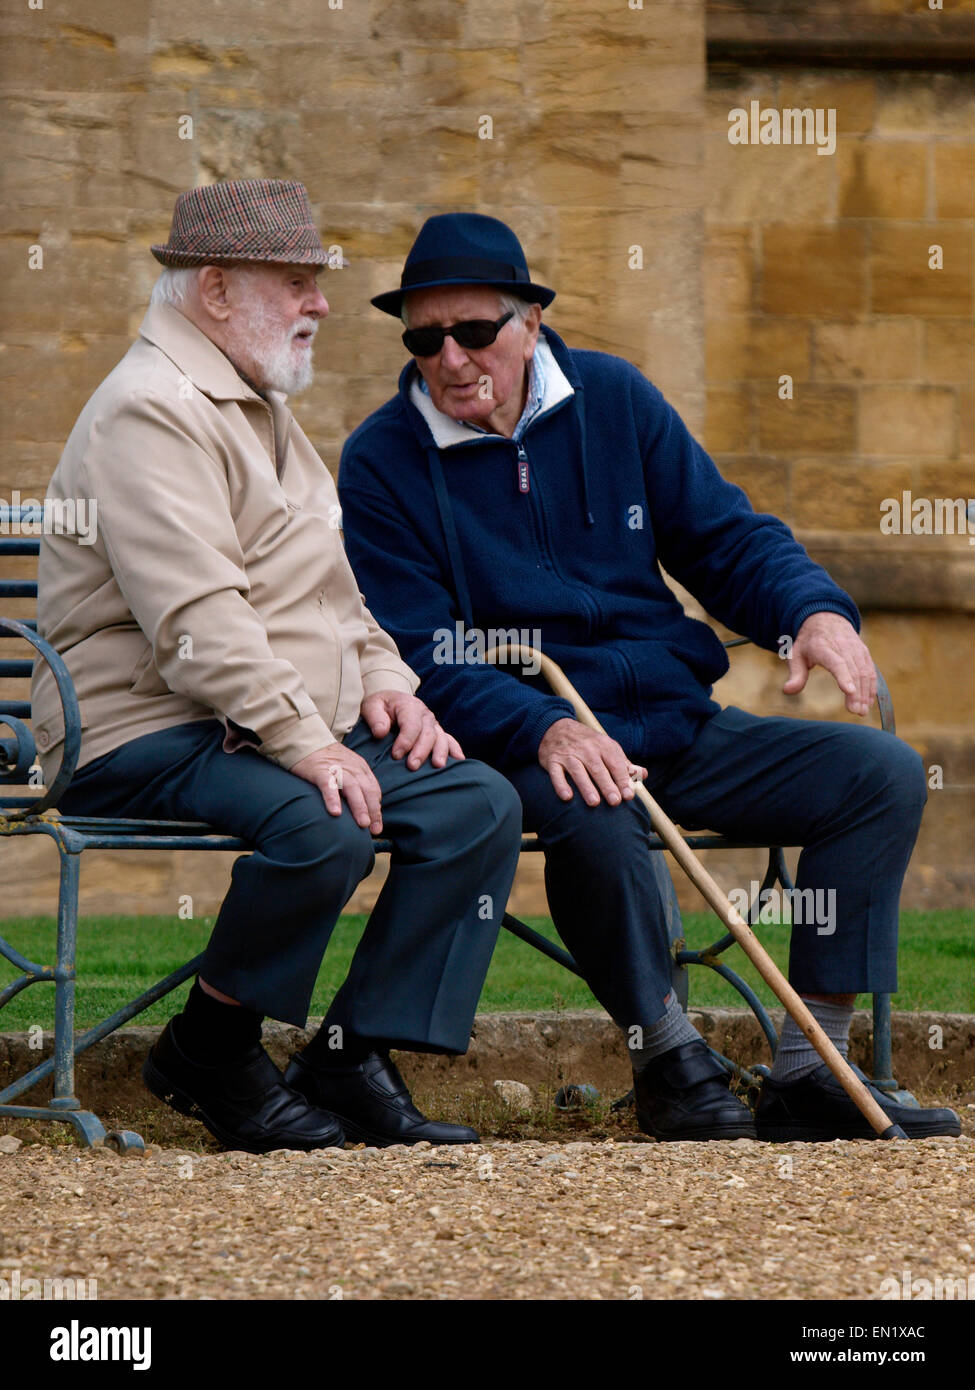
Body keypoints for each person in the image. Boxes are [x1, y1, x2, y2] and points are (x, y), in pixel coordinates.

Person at [338, 212, 960, 1143]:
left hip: (673, 720)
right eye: (425, 339)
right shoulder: (381, 461)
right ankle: (667, 1056)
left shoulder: (615, 400)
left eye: (474, 332)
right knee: (593, 809)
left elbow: (723, 537)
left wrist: (810, 613)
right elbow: (416, 651)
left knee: (880, 775)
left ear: (530, 323)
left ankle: (808, 1068)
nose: (451, 358)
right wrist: (542, 727)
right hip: (524, 741)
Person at [31, 183, 523, 1154]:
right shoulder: (150, 410)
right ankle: (210, 1050)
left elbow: (333, 596)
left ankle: (349, 1053)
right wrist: (310, 745)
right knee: (323, 822)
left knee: (474, 803)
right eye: (298, 281)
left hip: (248, 722)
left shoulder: (258, 406)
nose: (323, 304)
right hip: (131, 725)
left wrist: (388, 684)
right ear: (215, 289)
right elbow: (196, 625)